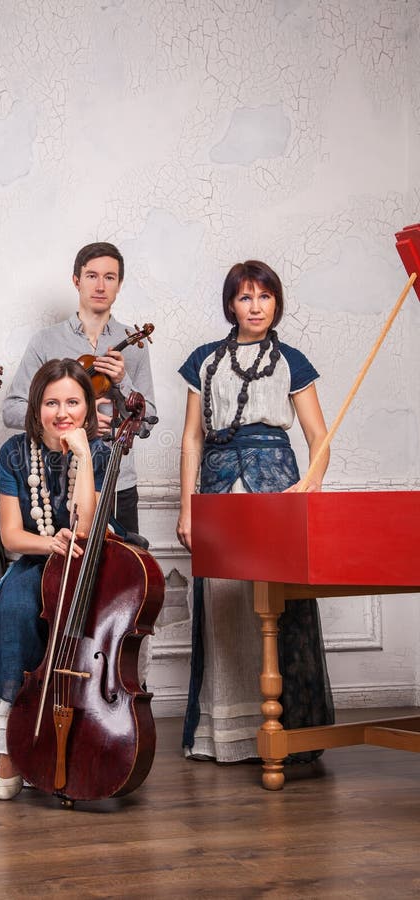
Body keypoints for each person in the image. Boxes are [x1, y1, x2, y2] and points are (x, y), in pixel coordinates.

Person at [176, 259, 334, 763]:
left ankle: (292, 735)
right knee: (222, 605)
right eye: (245, 297)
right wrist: (187, 509)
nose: (255, 306)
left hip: (276, 486)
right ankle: (230, 735)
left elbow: (318, 439)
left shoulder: (293, 361)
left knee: (280, 605)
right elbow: (190, 439)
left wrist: (306, 489)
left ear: (276, 302)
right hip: (218, 486)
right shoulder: (204, 359)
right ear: (230, 304)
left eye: (264, 296)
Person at [0, 358, 110, 800]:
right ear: (36, 406)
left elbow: (84, 527)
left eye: (73, 402)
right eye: (52, 402)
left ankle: (96, 729)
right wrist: (50, 544)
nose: (62, 412)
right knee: (17, 606)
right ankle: (8, 746)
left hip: (89, 559)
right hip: (40, 558)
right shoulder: (13, 454)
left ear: (88, 407)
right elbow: (11, 535)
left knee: (114, 610)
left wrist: (80, 452)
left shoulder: (99, 450)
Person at [2, 241, 155, 536]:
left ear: (119, 284)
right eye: (91, 275)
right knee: (66, 570)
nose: (100, 285)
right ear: (76, 281)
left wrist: (123, 379)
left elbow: (147, 422)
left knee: (122, 574)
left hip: (117, 482)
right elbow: (11, 410)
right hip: (59, 481)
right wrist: (80, 421)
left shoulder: (134, 345)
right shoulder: (46, 342)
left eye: (109, 277)